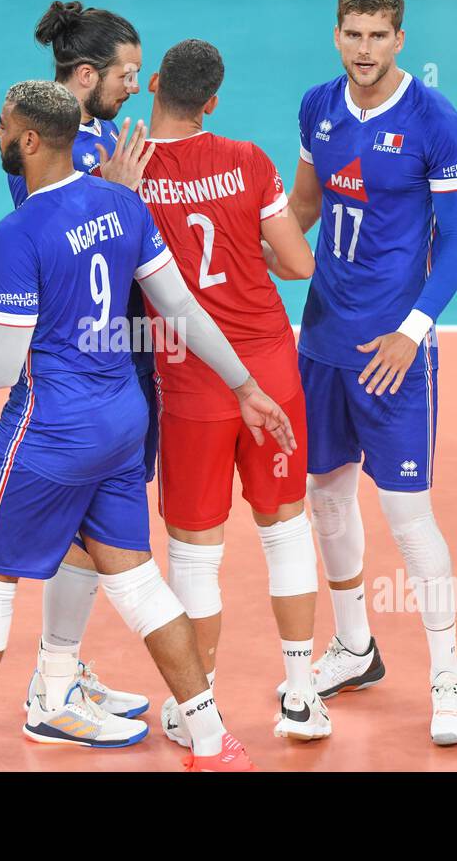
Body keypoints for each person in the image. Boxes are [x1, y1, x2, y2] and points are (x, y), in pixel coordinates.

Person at [0, 81, 296, 771]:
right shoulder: (120, 203)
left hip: (47, 435)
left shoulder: (18, 232)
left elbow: (1, 366)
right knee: (135, 581)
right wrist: (245, 385)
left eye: (0, 126)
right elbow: (181, 309)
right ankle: (213, 744)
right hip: (121, 425)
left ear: (29, 140)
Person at [100, 39, 327, 743]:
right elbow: (297, 263)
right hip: (271, 368)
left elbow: (106, 272)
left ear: (157, 84)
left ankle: (200, 705)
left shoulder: (129, 170)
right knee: (285, 531)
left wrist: (117, 193)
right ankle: (300, 694)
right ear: (213, 102)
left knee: (197, 553)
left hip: (192, 380)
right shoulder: (250, 160)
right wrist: (239, 251)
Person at [285, 0, 457, 746]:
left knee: (407, 516)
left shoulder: (436, 122)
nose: (364, 49)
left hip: (394, 352)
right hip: (323, 342)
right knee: (325, 498)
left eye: (378, 36)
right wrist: (250, 260)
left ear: (401, 40)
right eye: (352, 34)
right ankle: (356, 646)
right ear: (337, 35)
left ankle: (448, 678)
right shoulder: (317, 107)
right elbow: (303, 208)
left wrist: (413, 329)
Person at [5, 1, 154, 737]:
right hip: (72, 372)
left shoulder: (94, 138)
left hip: (108, 365)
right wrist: (124, 197)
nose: (138, 87)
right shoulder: (65, 151)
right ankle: (53, 690)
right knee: (80, 529)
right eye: (127, 75)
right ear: (87, 75)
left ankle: (58, 674)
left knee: (86, 526)